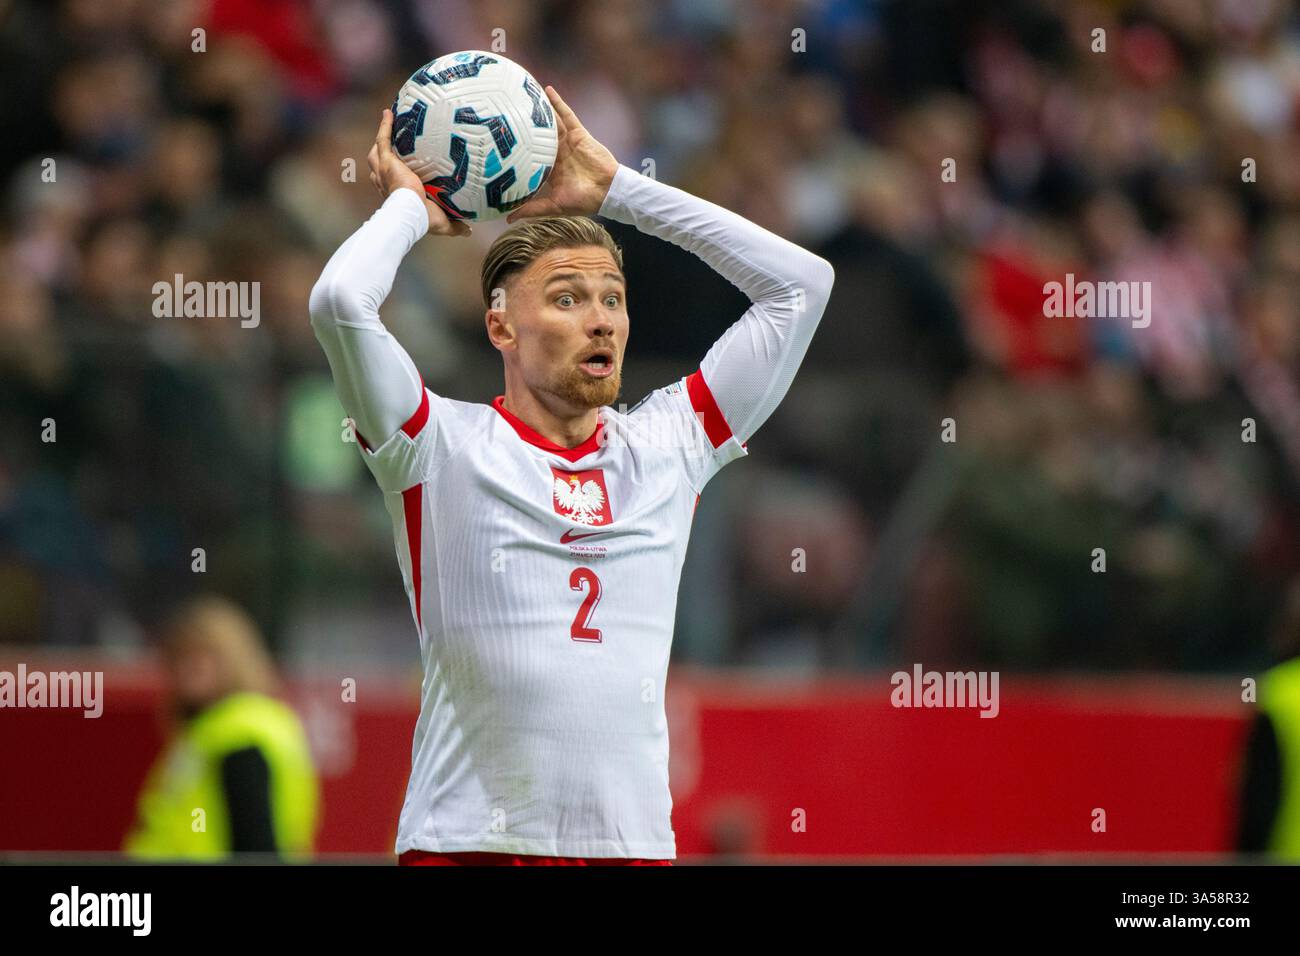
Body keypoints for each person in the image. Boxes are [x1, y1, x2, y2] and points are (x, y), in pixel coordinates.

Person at [309, 85, 834, 865]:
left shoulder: (666, 446)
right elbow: (340, 301)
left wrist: (623, 192)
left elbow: (802, 286)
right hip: (469, 845)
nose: (600, 319)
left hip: (629, 849)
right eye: (565, 297)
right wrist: (413, 209)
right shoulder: (439, 446)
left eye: (612, 300)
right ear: (501, 326)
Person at [123, 596, 319, 860]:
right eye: (179, 658)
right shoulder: (226, 727)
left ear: (234, 659)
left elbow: (255, 846)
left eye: (202, 656)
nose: (187, 669)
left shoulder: (237, 733)